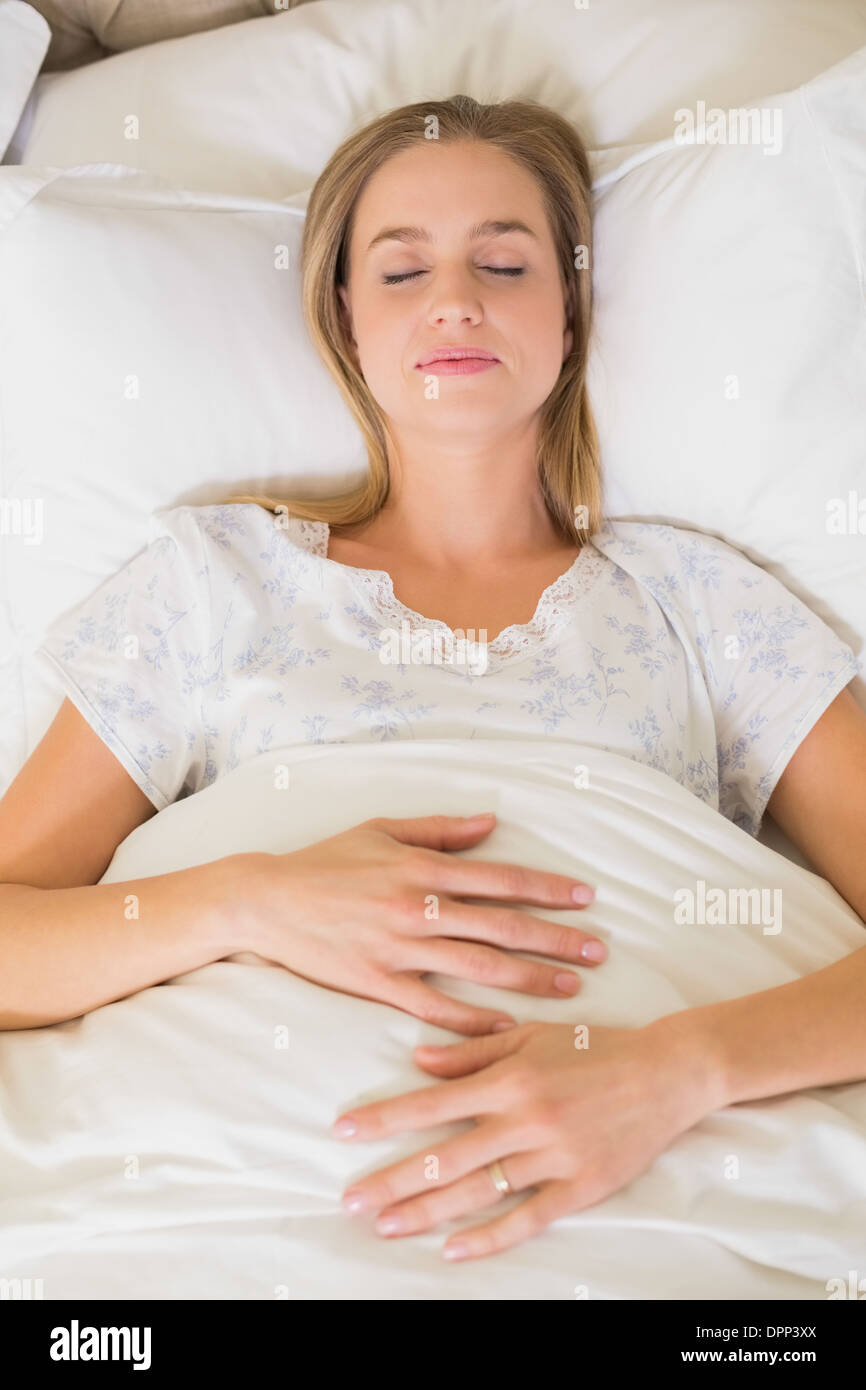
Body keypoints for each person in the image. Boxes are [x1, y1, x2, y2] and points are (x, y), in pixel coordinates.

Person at [2, 95, 864, 1263]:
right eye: (401, 273)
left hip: (623, 1199)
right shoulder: (209, 583)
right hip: (209, 1200)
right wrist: (247, 898)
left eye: (503, 261)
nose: (455, 298)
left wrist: (675, 1070)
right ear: (345, 323)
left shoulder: (698, 600)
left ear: (570, 311)